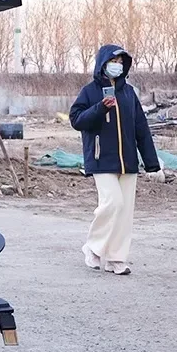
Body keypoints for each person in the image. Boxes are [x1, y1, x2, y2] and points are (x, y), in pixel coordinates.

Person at [69, 44, 163, 275]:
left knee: (124, 211)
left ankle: (116, 259)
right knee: (113, 203)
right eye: (114, 62)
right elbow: (76, 119)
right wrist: (100, 108)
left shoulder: (129, 93)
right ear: (103, 63)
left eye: (121, 63)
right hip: (101, 158)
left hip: (128, 160)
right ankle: (93, 247)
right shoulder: (90, 91)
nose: (117, 66)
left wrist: (151, 162)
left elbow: (141, 127)